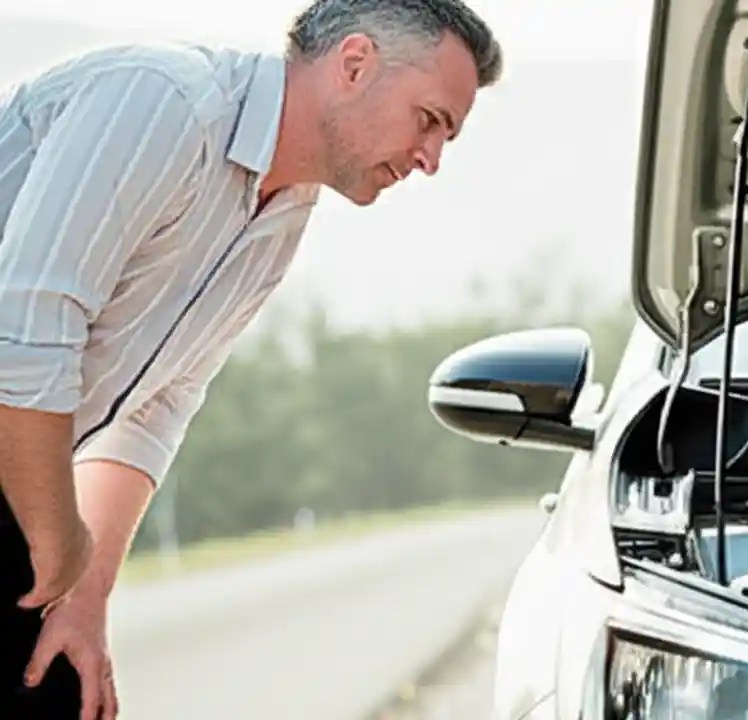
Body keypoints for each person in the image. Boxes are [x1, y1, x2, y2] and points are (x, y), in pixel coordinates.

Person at [0, 0, 502, 717]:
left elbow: (159, 402)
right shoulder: (163, 102)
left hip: (17, 463)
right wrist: (54, 539)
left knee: (66, 694)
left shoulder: (284, 212)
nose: (430, 160)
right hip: (16, 450)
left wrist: (85, 600)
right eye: (429, 121)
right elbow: (24, 329)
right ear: (354, 65)